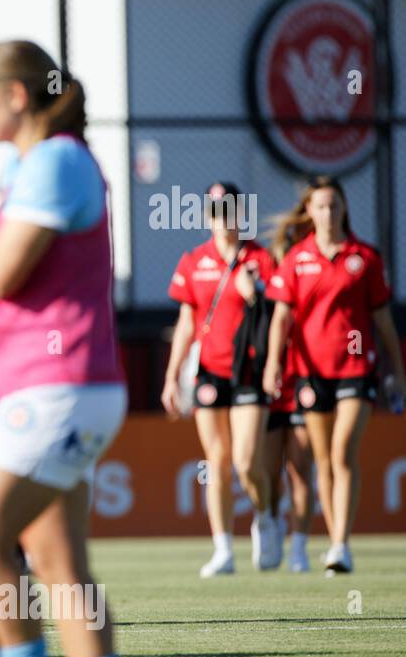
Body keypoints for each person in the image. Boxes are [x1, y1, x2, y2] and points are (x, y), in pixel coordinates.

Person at [0, 40, 140, 657]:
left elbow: (1, 276)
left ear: (18, 96)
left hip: (60, 392)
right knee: (60, 565)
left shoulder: (56, 159)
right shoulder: (39, 164)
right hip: (55, 391)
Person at [263, 176, 404, 575]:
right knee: (322, 460)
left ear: (344, 208)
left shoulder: (365, 257)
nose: (328, 213)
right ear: (309, 211)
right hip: (311, 373)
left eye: (334, 205)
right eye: (321, 206)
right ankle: (332, 540)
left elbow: (384, 321)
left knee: (343, 452)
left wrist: (397, 370)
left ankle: (341, 544)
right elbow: (281, 318)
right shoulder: (296, 259)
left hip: (357, 367)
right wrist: (275, 362)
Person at [161, 182, 279, 577]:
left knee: (247, 462)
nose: (224, 219)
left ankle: (264, 517)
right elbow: (186, 322)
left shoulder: (261, 258)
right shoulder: (194, 260)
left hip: (248, 370)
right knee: (217, 461)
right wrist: (172, 373)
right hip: (209, 369)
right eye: (216, 211)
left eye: (230, 210)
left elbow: (279, 314)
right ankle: (223, 548)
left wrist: (253, 293)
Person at [261, 211, 315, 572]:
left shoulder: (312, 279)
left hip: (302, 382)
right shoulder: (263, 275)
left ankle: (299, 546)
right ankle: (272, 521)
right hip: (267, 384)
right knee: (266, 472)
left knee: (300, 469)